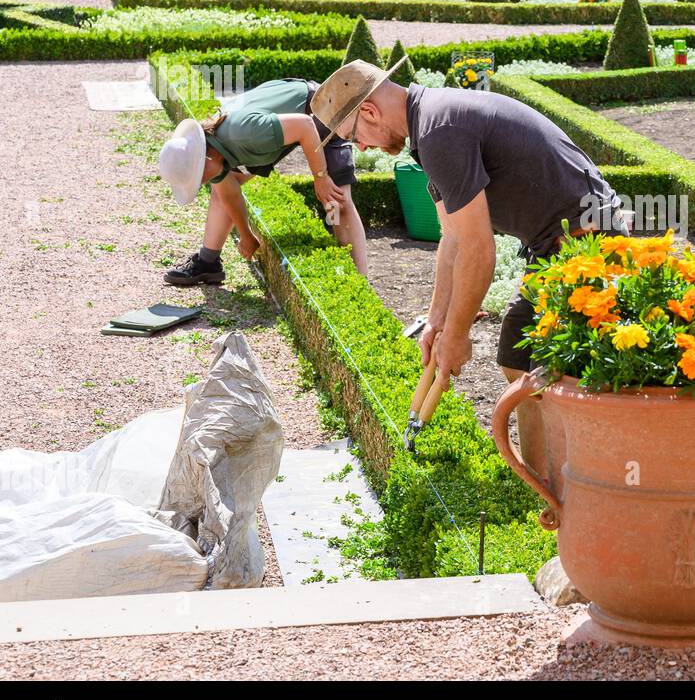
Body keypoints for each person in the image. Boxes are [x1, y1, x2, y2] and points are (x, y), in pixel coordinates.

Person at [309, 59, 626, 460]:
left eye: (354, 137)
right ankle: (544, 482)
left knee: (546, 368)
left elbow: (480, 250)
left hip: (588, 239)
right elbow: (454, 237)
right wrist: (437, 319)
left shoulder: (438, 130)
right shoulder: (429, 125)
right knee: (520, 360)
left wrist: (458, 336)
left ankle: (575, 481)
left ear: (369, 112)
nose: (362, 148)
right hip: (558, 242)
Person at [158, 76, 368, 286]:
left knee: (336, 201)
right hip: (285, 119)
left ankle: (360, 284)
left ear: (205, 156)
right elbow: (228, 194)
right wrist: (246, 235)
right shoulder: (214, 148)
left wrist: (320, 177)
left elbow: (305, 125)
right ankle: (207, 263)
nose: (203, 181)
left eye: (200, 175)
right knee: (221, 189)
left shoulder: (246, 135)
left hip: (320, 110)